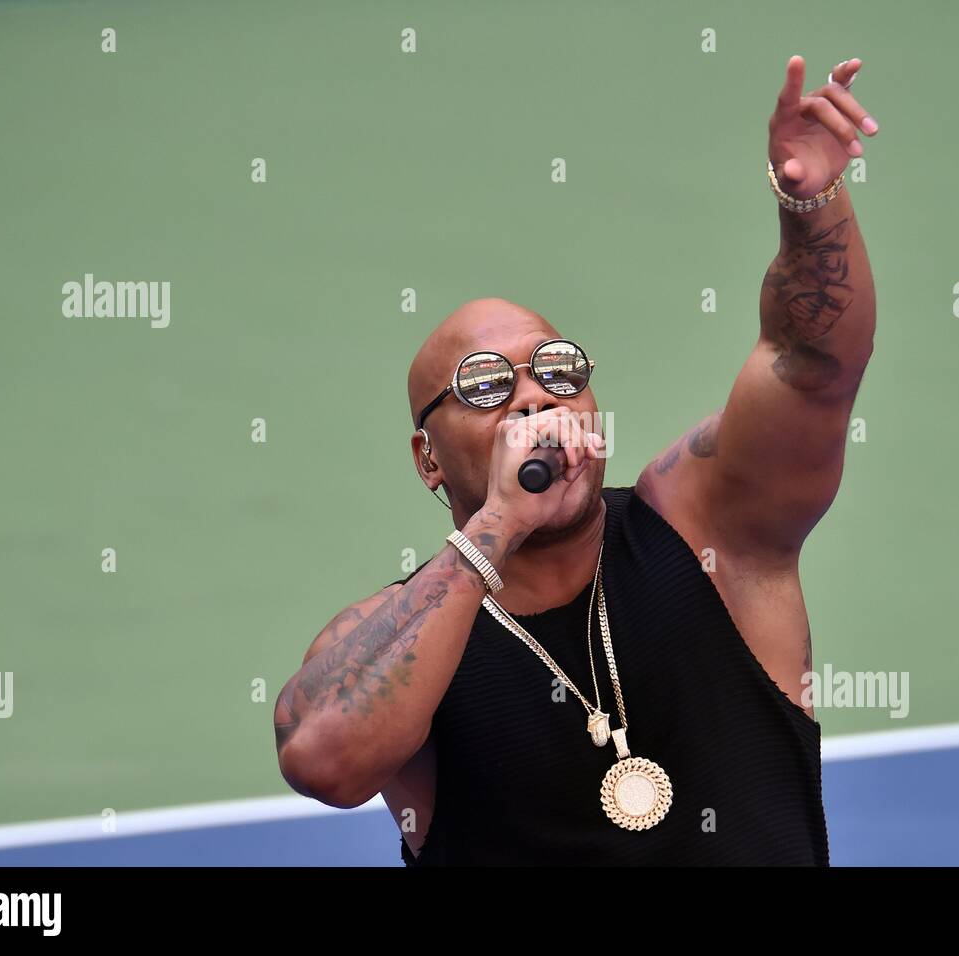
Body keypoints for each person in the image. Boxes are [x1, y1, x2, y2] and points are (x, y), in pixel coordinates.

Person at [274, 54, 878, 865]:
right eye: (486, 386)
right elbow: (325, 761)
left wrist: (810, 202)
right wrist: (495, 528)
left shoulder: (706, 525)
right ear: (427, 458)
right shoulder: (398, 637)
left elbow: (811, 365)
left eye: (558, 371)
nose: (533, 399)